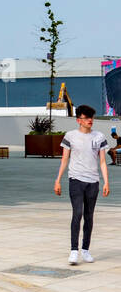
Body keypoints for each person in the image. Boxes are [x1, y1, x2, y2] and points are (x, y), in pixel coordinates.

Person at [54, 104, 110, 264]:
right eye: (86, 118)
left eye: (91, 117)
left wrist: (106, 182)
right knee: (77, 213)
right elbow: (64, 159)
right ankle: (73, 250)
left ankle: (85, 249)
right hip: (76, 180)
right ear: (79, 120)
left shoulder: (99, 136)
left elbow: (103, 162)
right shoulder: (70, 136)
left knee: (89, 216)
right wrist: (58, 180)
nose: (90, 120)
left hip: (93, 182)